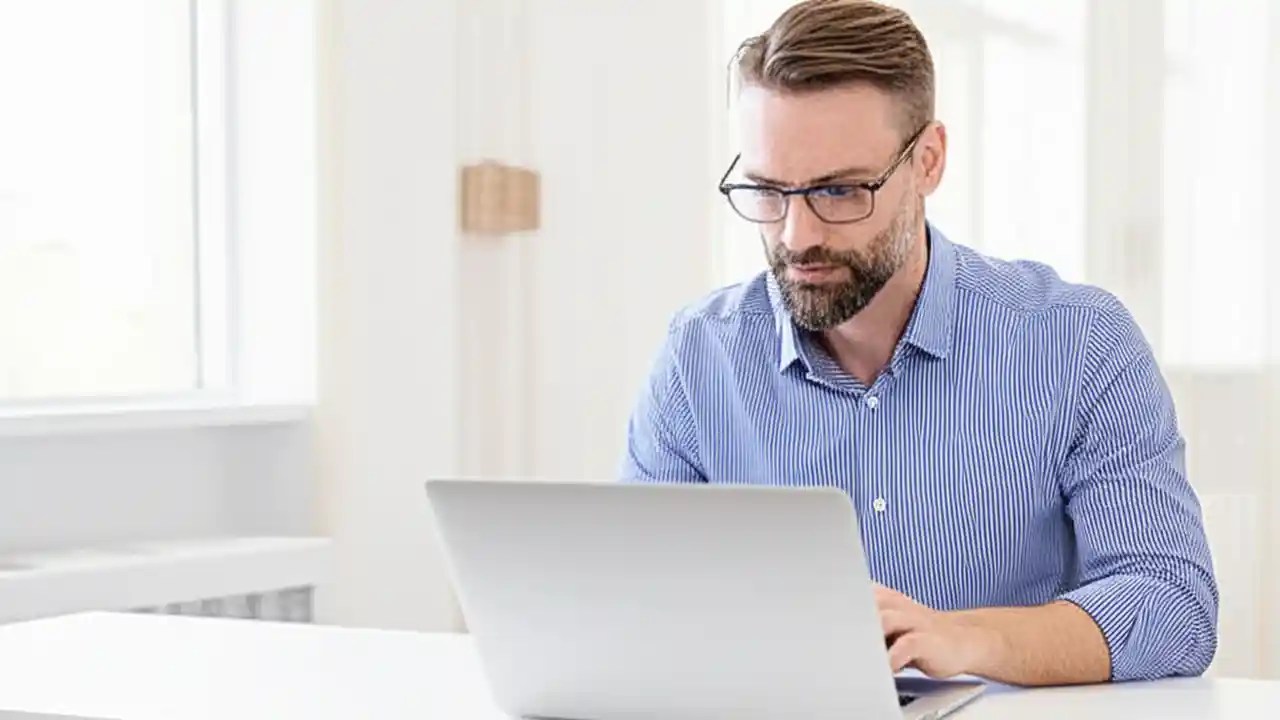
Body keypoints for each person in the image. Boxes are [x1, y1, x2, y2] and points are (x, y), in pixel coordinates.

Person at [618, 0, 1217, 686]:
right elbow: (634, 604)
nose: (796, 236)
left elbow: (1174, 608)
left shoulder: (1079, 342)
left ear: (928, 161)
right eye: (768, 190)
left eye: (840, 191)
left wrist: (966, 640)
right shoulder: (699, 356)